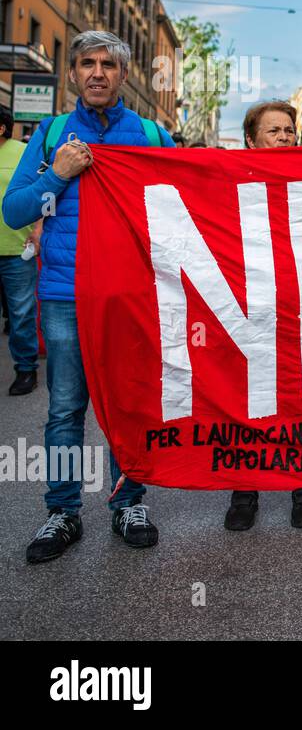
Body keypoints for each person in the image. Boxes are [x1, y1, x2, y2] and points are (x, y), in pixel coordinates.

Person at [4, 31, 176, 563]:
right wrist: (57, 175)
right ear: (73, 73)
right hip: (63, 293)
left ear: (125, 75)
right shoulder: (52, 132)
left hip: (130, 295)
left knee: (129, 405)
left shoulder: (150, 133)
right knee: (64, 409)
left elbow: (188, 201)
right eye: (87, 64)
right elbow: (14, 211)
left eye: (108, 64)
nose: (97, 73)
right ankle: (63, 511)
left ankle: (129, 503)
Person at [223, 101, 302, 531]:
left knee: (301, 392)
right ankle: (246, 488)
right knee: (250, 395)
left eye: (288, 130)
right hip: (250, 303)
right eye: (273, 131)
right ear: (251, 139)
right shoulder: (226, 180)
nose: (283, 137)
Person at [0, 105, 38, 397]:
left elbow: (41, 194)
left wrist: (37, 230)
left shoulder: (24, 153)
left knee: (21, 313)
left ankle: (26, 369)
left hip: (16, 248)